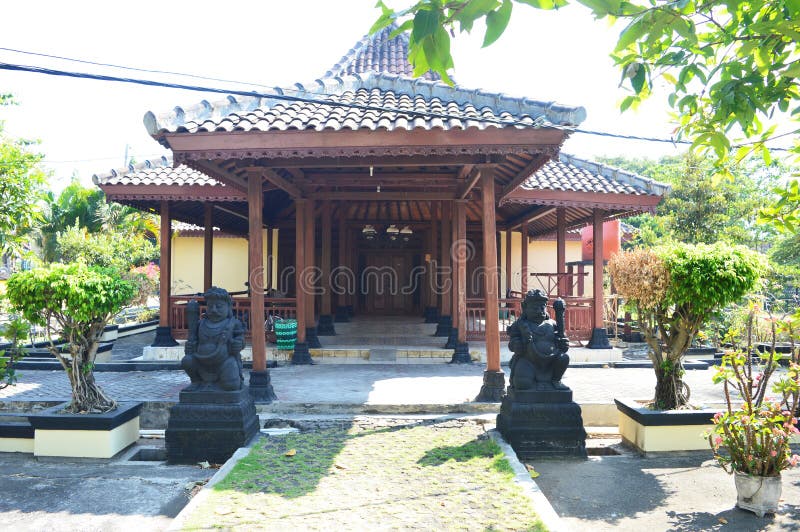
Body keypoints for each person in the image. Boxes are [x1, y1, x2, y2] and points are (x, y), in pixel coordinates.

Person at [182, 287, 245, 391]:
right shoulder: (200, 324)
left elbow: (240, 339)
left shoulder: (233, 324)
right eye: (210, 306)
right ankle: (196, 381)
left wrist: (239, 343)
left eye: (219, 306)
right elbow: (193, 341)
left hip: (225, 361)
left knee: (232, 386)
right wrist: (190, 346)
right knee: (187, 361)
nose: (214, 310)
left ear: (228, 307)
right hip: (201, 362)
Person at [507, 289, 570, 390]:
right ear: (525, 308)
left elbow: (561, 340)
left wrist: (563, 343)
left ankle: (556, 380)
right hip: (528, 361)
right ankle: (534, 385)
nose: (539, 311)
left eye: (542, 307)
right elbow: (512, 343)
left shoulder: (552, 324)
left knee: (563, 357)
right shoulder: (520, 325)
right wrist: (516, 344)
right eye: (534, 308)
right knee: (522, 383)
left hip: (551, 362)